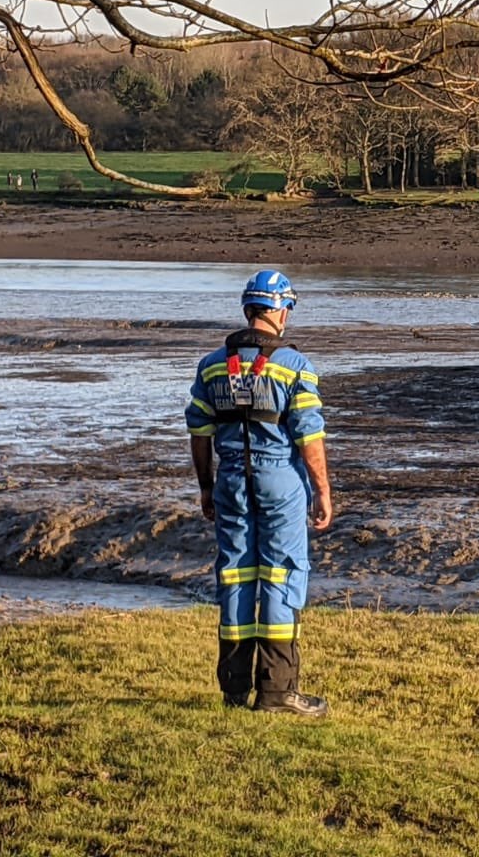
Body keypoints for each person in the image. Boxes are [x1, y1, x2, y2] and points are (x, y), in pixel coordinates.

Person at [186, 269, 333, 716]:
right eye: (287, 307)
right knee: (282, 575)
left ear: (248, 309)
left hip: (230, 478)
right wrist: (322, 491)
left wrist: (206, 486)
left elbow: (198, 430)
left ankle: (233, 690)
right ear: (278, 310)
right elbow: (309, 437)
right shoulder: (294, 366)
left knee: (233, 575)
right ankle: (278, 691)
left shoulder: (211, 364)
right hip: (279, 481)